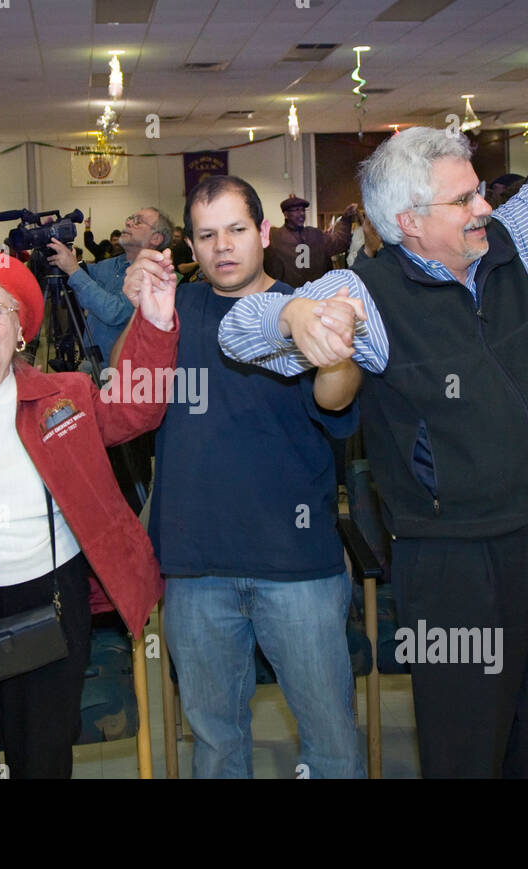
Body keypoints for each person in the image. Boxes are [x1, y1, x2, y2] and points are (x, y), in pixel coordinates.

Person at [217, 21, 528, 777]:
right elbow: (241, 329)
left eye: (479, 192)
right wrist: (297, 314)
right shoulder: (367, 292)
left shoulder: (512, 249)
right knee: (470, 747)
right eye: (463, 199)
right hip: (455, 568)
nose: (484, 207)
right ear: (409, 223)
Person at [0, 251, 177, 778]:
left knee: (43, 760)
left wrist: (154, 323)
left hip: (53, 601)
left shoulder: (66, 395)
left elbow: (139, 410)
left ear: (20, 328)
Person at [123, 175, 364, 778]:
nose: (222, 247)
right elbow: (130, 400)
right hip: (196, 569)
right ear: (190, 244)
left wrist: (337, 348)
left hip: (297, 566)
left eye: (236, 230)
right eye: (206, 235)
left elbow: (335, 404)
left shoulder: (298, 309)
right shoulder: (174, 313)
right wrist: (142, 318)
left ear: (262, 233)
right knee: (216, 743)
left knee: (331, 741)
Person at [45, 206, 172, 366]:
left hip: (124, 371)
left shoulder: (155, 274)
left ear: (156, 238)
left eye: (138, 222)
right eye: (130, 218)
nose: (129, 223)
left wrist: (73, 268)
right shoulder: (110, 265)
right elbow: (83, 277)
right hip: (91, 363)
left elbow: (115, 312)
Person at [263, 194, 358, 286]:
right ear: (286, 214)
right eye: (296, 210)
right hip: (287, 296)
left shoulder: (315, 235)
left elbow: (339, 244)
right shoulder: (274, 237)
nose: (301, 214)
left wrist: (346, 220)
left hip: (315, 295)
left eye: (303, 210)